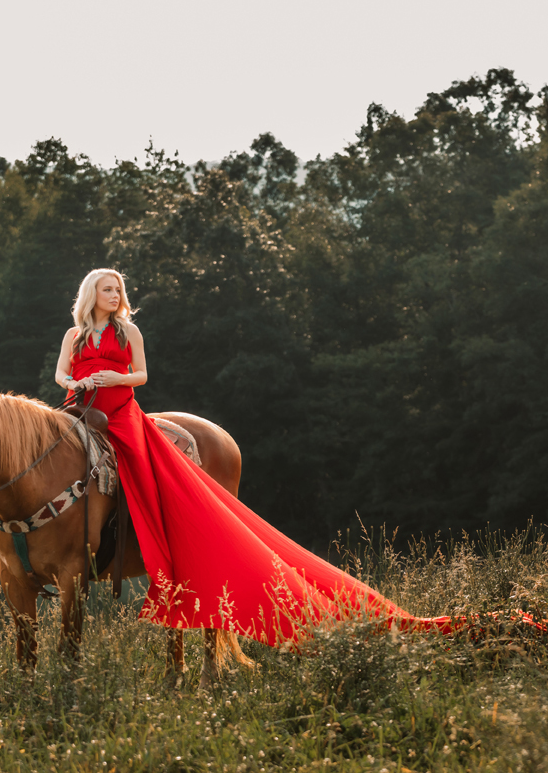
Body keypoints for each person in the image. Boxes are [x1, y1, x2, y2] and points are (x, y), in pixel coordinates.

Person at [54, 268, 449, 645]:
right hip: (81, 405)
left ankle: (152, 536)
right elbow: (60, 375)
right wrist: (77, 380)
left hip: (120, 411)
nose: (116, 295)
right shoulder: (74, 335)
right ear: (92, 294)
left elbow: (142, 375)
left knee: (140, 469)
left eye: (118, 290)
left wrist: (117, 377)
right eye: (108, 289)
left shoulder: (128, 331)